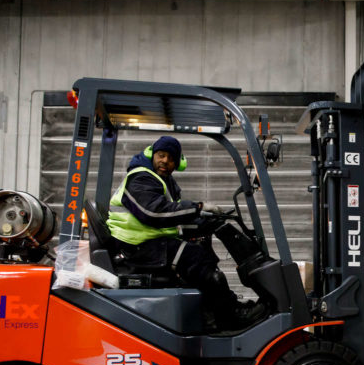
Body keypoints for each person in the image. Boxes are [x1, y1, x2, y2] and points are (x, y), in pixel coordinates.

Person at [107, 136, 264, 330]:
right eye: (161, 155)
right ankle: (230, 316)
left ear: (177, 163)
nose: (165, 161)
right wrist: (197, 207)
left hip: (147, 241)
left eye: (171, 158)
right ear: (153, 154)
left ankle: (215, 314)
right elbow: (154, 213)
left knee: (202, 249)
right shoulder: (141, 177)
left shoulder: (162, 180)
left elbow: (173, 213)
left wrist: (207, 220)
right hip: (135, 247)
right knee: (197, 259)